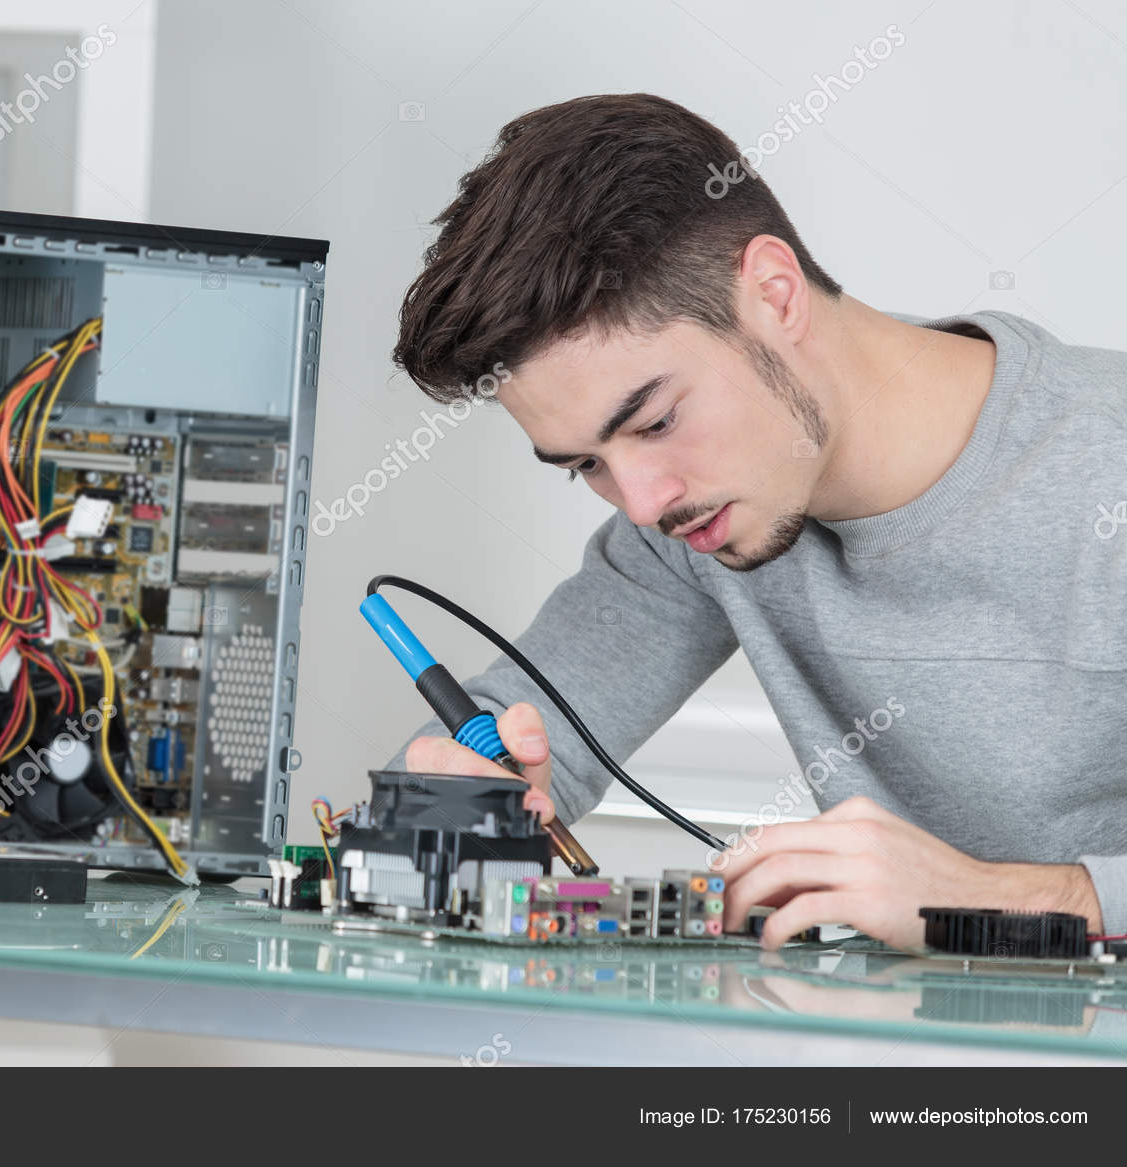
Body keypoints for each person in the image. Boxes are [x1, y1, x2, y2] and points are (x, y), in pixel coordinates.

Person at [387, 93, 1127, 950]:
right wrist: (451, 791)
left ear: (775, 295)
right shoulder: (698, 519)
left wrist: (1006, 897)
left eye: (656, 421)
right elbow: (504, 731)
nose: (641, 502)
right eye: (585, 463)